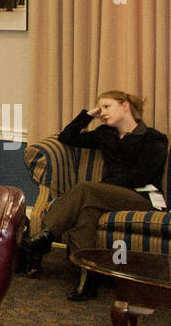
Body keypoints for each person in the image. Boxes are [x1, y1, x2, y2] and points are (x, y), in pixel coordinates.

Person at [22, 90, 168, 299]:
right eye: (100, 109)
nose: (103, 113)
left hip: (142, 197)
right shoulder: (105, 134)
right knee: (86, 212)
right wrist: (88, 115)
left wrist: (102, 188)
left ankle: (46, 236)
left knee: (85, 190)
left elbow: (142, 176)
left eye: (107, 107)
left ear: (125, 106)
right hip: (107, 196)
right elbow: (67, 137)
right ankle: (88, 277)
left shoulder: (153, 138)